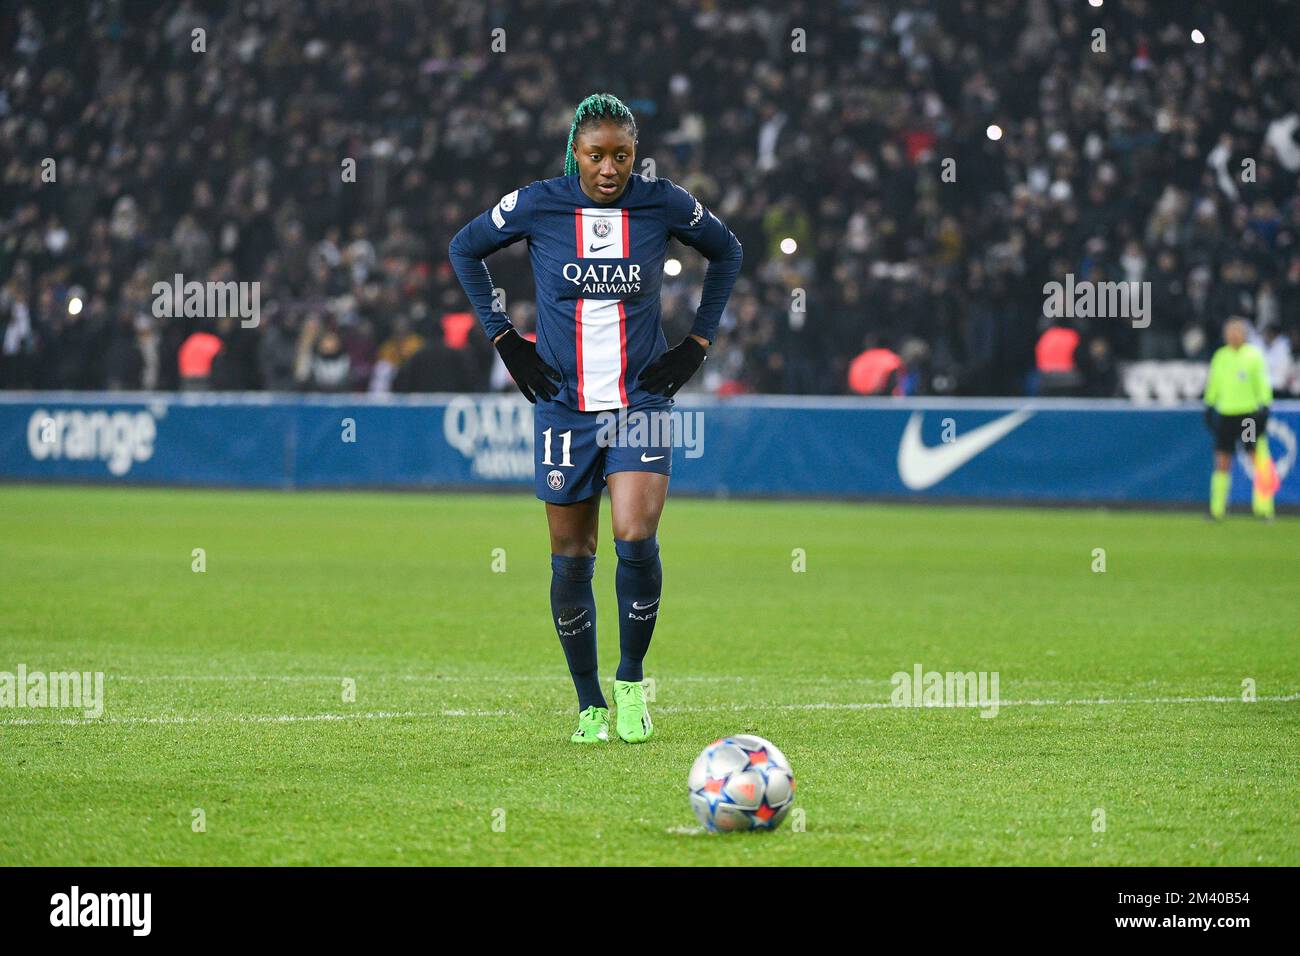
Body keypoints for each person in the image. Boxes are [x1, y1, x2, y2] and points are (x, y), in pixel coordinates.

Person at [449, 93, 742, 744]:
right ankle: (588, 704)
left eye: (622, 156)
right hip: (564, 404)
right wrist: (504, 339)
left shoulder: (662, 203)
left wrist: (697, 344)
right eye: (596, 155)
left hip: (641, 399)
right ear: (574, 154)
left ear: (636, 155)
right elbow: (463, 248)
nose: (609, 169)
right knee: (571, 555)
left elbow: (728, 252)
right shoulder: (537, 204)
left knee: (634, 535)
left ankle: (631, 681)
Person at [1203, 318, 1275, 520]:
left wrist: (1264, 405)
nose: (1233, 336)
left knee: (1256, 458)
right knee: (1222, 461)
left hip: (1247, 416)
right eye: (1229, 332)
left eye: (1236, 332)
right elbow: (1214, 382)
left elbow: (1262, 382)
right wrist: (1209, 404)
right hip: (1226, 414)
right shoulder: (1221, 356)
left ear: (1244, 335)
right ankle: (1217, 509)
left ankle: (1263, 508)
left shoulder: (1253, 356)